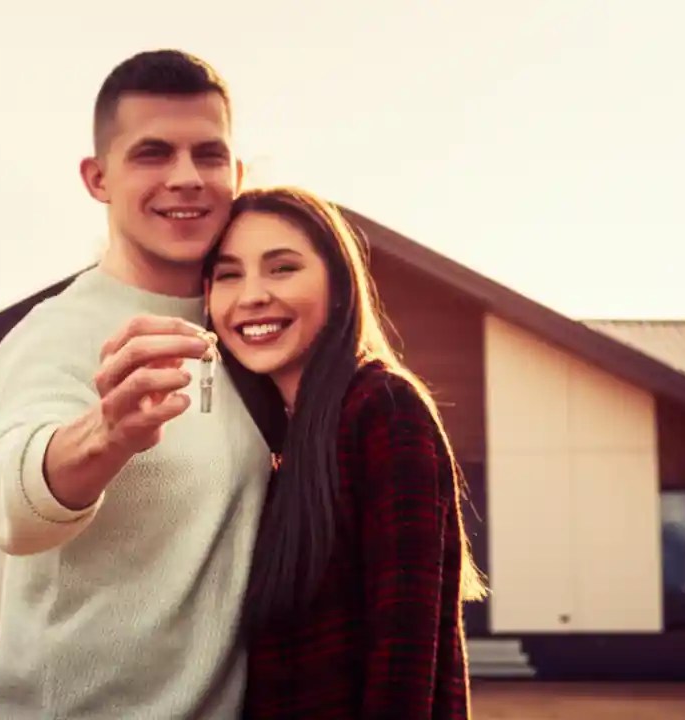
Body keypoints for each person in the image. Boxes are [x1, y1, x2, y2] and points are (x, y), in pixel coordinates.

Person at [0, 50, 272, 719]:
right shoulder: (56, 334)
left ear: (238, 173)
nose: (187, 178)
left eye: (210, 155)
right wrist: (105, 434)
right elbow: (4, 507)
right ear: (98, 177)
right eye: (153, 153)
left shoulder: (256, 334)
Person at [203, 187, 488, 718]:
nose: (253, 295)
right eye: (228, 275)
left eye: (282, 268)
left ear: (338, 286)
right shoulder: (265, 439)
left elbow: (404, 652)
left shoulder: (384, 410)